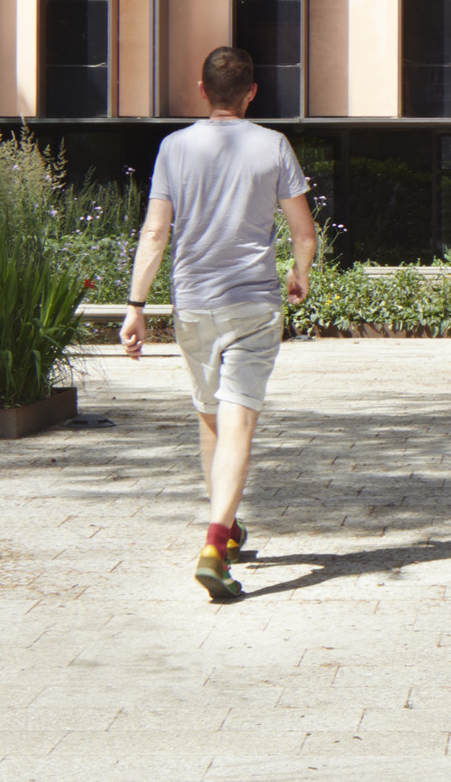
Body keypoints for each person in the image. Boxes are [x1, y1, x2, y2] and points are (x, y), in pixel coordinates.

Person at [121, 44, 316, 602]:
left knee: (211, 418)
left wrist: (136, 306)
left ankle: (228, 532)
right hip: (253, 304)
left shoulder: (173, 148)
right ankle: (213, 544)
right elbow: (304, 233)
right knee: (239, 422)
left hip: (194, 305)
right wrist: (299, 275)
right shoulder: (273, 146)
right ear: (252, 92)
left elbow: (155, 234)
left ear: (202, 90)